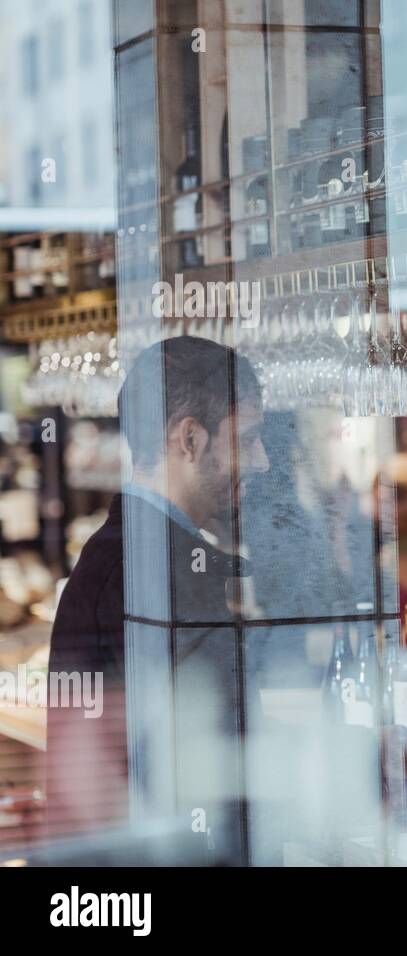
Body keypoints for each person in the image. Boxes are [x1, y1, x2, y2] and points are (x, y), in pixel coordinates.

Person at [45, 335, 268, 842]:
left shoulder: (134, 557)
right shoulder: (144, 571)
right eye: (249, 438)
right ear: (188, 439)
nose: (262, 462)